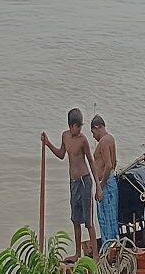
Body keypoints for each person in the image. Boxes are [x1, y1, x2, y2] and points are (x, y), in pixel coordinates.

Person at [42, 108, 97, 258]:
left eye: (81, 126)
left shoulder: (83, 140)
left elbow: (91, 162)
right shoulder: (65, 136)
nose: (79, 129)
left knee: (89, 221)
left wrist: (98, 187)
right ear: (70, 125)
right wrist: (47, 143)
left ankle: (97, 257)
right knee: (75, 219)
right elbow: (61, 154)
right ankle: (77, 253)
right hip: (73, 183)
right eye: (77, 126)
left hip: (85, 181)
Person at [90, 115, 119, 248]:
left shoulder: (104, 141)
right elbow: (114, 162)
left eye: (93, 132)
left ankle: (109, 247)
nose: (93, 136)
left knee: (106, 218)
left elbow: (108, 165)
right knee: (110, 217)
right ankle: (111, 246)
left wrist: (100, 186)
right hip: (110, 181)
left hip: (106, 183)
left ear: (97, 127)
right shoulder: (110, 139)